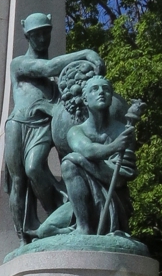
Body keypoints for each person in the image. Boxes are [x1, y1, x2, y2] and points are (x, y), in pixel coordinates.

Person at [3, 13, 102, 240]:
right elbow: (48, 67)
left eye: (45, 33)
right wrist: (85, 53)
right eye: (35, 35)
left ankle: (57, 211)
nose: (41, 39)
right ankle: (23, 236)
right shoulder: (18, 64)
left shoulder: (55, 88)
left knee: (34, 167)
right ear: (27, 35)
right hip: (17, 125)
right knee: (18, 181)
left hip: (42, 127)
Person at [58, 75, 142, 235]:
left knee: (69, 163)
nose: (101, 92)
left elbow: (120, 178)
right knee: (44, 230)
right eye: (94, 89)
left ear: (111, 97)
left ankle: (83, 228)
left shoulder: (123, 131)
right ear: (85, 99)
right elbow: (88, 150)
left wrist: (84, 160)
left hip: (114, 197)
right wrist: (114, 146)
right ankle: (66, 232)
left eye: (106, 89)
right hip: (82, 196)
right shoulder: (76, 131)